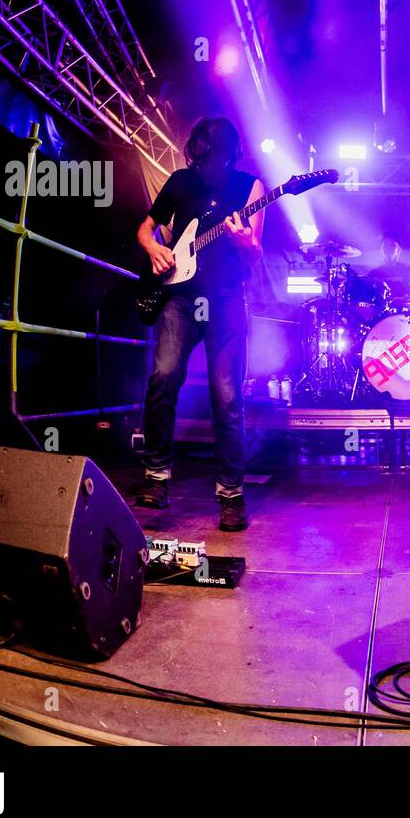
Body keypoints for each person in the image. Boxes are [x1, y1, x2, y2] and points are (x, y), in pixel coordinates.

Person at [134, 117, 265, 531]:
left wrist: (245, 241)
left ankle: (231, 494)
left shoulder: (250, 189)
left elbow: (254, 255)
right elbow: (144, 228)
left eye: (216, 160)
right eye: (203, 159)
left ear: (229, 156)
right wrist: (154, 246)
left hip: (225, 299)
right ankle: (156, 478)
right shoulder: (180, 182)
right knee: (163, 375)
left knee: (226, 395)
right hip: (180, 298)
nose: (209, 167)